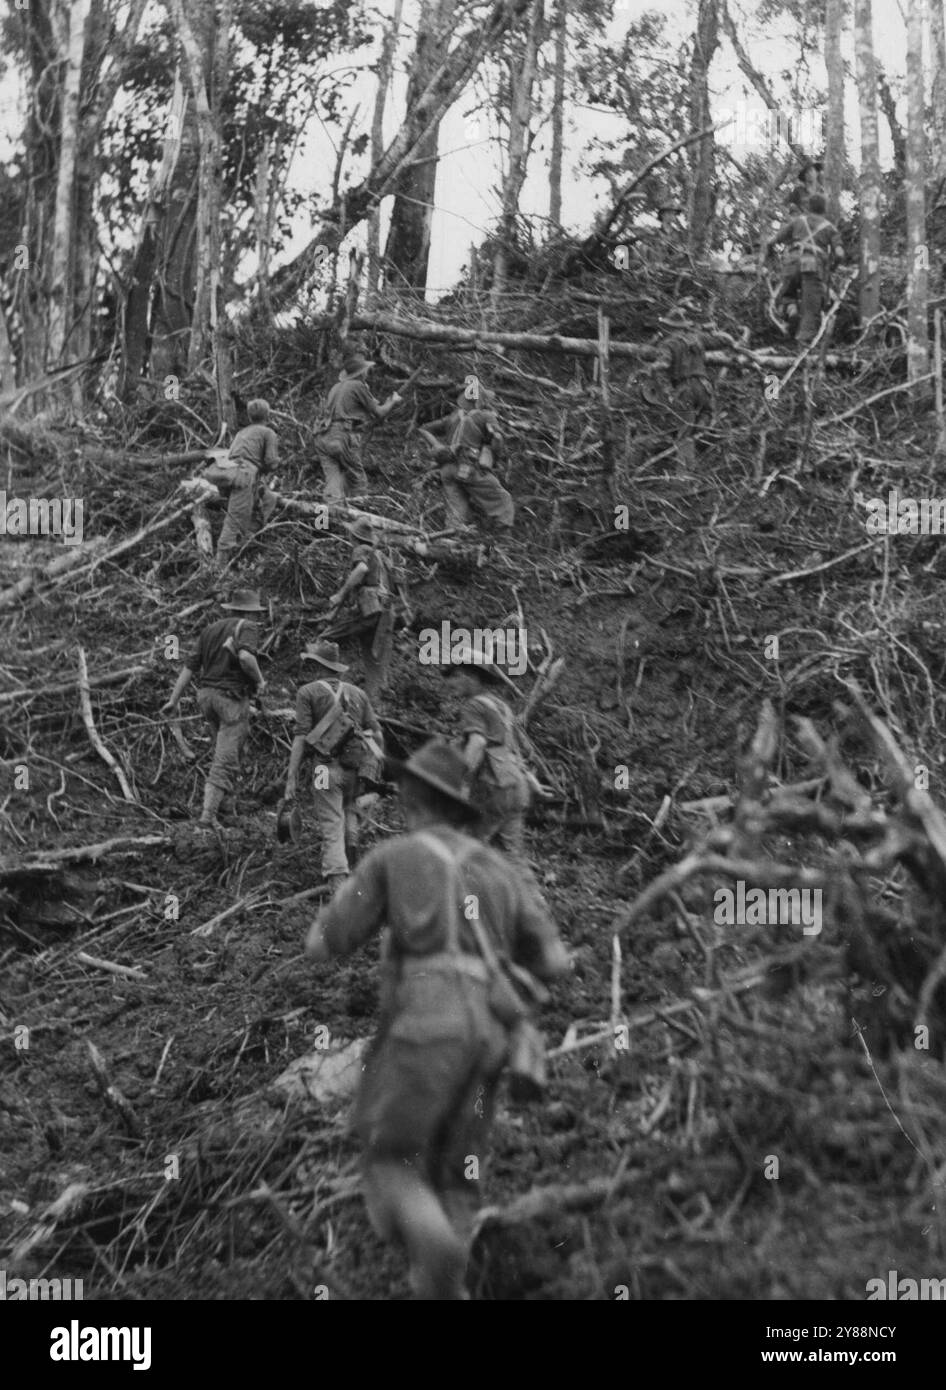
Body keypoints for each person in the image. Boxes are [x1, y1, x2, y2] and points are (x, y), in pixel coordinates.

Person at [304, 738, 570, 1300]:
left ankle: (438, 1248)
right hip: (489, 1038)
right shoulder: (499, 870)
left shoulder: (395, 859)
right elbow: (554, 961)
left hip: (426, 1027)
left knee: (390, 1163)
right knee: (457, 1178)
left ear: (413, 799)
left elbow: (322, 943)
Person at [160, 589, 267, 828]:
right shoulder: (248, 626)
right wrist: (259, 681)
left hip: (206, 697)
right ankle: (208, 817)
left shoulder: (210, 630)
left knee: (228, 751)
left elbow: (190, 666)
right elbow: (247, 659)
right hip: (230, 700)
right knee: (226, 759)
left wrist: (173, 700)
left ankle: (227, 807)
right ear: (250, 612)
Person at [283, 640, 384, 883]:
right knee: (349, 812)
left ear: (317, 665)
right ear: (337, 667)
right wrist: (373, 769)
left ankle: (337, 882)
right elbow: (377, 734)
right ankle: (353, 859)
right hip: (356, 767)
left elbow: (300, 737)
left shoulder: (307, 692)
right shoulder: (358, 693)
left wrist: (291, 777)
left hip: (324, 769)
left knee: (330, 824)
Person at [444, 647, 534, 866]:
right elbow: (516, 749)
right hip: (516, 787)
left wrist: (461, 784)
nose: (451, 683)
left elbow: (478, 743)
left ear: (472, 677)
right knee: (512, 861)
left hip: (492, 789)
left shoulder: (473, 706)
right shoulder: (502, 707)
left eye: (456, 676)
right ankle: (531, 901)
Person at [417, 387, 514, 537]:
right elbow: (498, 444)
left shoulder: (453, 417)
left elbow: (424, 429)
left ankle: (451, 545)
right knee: (503, 501)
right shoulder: (486, 416)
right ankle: (502, 543)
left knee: (457, 516)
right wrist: (496, 438)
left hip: (447, 471)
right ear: (481, 400)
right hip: (469, 469)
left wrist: (438, 446)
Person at [313, 354, 402, 502]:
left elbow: (358, 410)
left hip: (322, 437)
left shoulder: (336, 387)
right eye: (366, 370)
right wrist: (393, 401)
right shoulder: (357, 385)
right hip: (340, 436)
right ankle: (360, 516)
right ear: (361, 372)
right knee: (358, 479)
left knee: (333, 481)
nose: (367, 372)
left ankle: (325, 522)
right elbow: (379, 412)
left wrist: (384, 404)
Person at [769, 193, 844, 348]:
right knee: (811, 309)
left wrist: (768, 254)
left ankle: (791, 310)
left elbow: (773, 240)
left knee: (784, 295)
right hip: (813, 265)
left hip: (792, 261)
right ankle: (803, 350)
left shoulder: (798, 221)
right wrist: (832, 267)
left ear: (809, 207)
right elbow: (839, 253)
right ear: (825, 209)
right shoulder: (830, 228)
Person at [211, 398, 279, 569]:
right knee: (233, 520)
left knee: (269, 499)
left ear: (250, 417)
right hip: (244, 477)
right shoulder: (268, 433)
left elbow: (234, 455)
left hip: (232, 474)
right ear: (268, 415)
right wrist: (279, 462)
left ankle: (246, 541)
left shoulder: (242, 433)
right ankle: (218, 569)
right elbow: (271, 462)